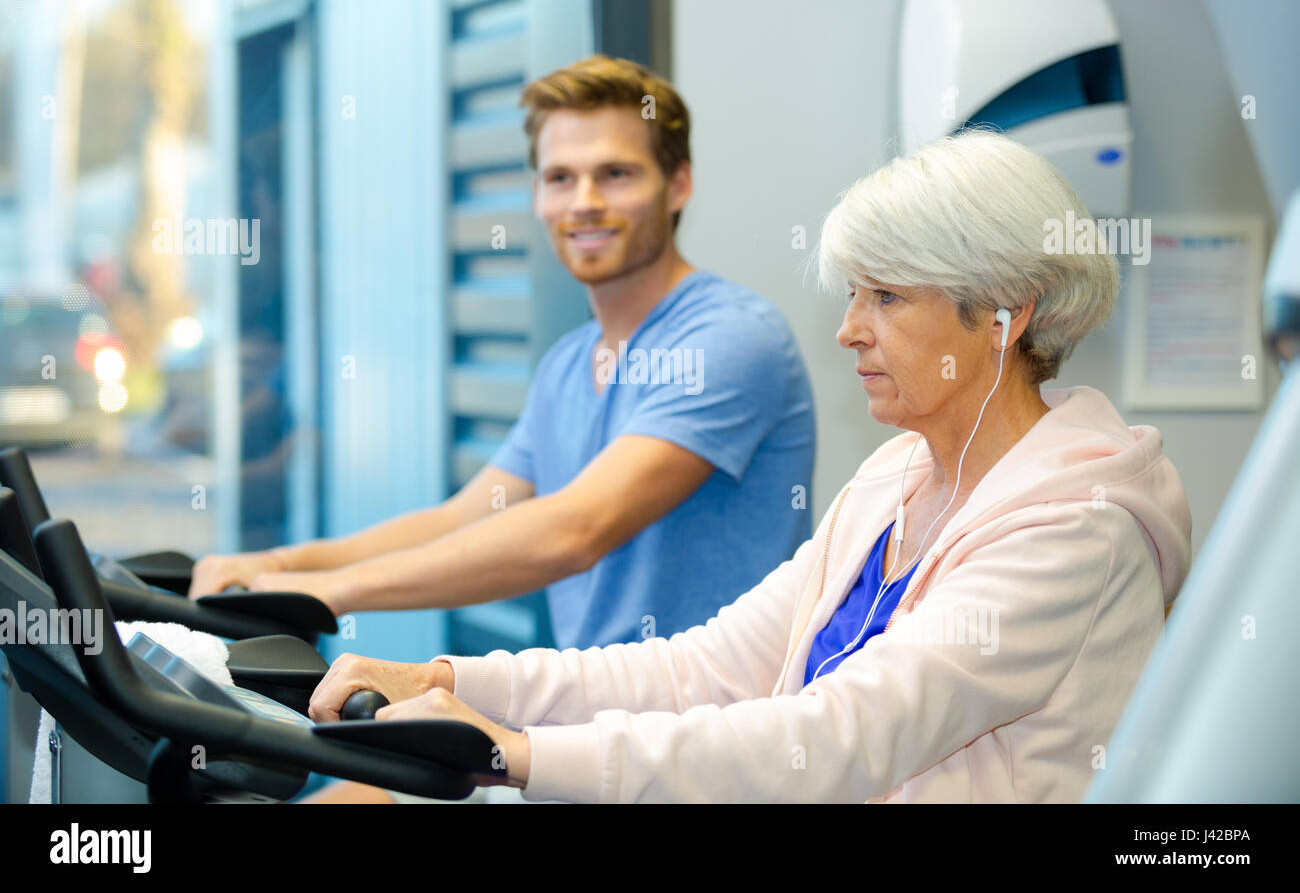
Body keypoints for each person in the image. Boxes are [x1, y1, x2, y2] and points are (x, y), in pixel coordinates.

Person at [308, 129, 1193, 802]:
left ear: (1005, 316)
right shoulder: (896, 480)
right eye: (853, 294)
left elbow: (836, 737)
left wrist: (514, 753)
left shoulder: (1076, 533)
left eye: (886, 296)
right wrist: (453, 682)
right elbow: (700, 668)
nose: (849, 329)